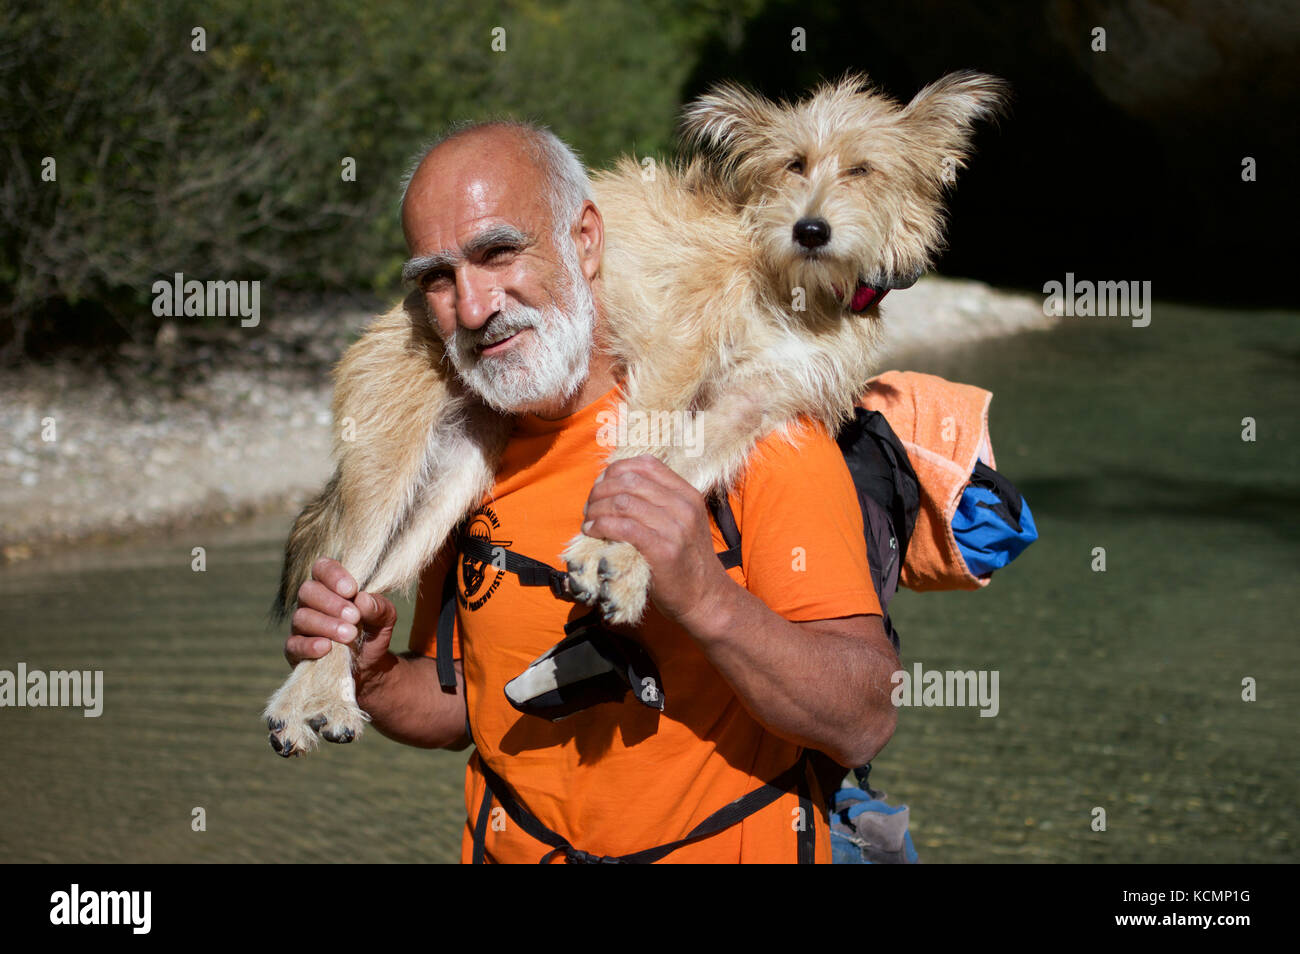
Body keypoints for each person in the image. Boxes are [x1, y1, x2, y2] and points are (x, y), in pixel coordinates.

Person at [283, 121, 901, 863]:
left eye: (499, 252)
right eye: (438, 279)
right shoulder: (472, 446)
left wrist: (706, 597)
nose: (475, 307)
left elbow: (864, 718)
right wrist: (373, 677)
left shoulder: (762, 437)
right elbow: (461, 711)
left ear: (586, 240)